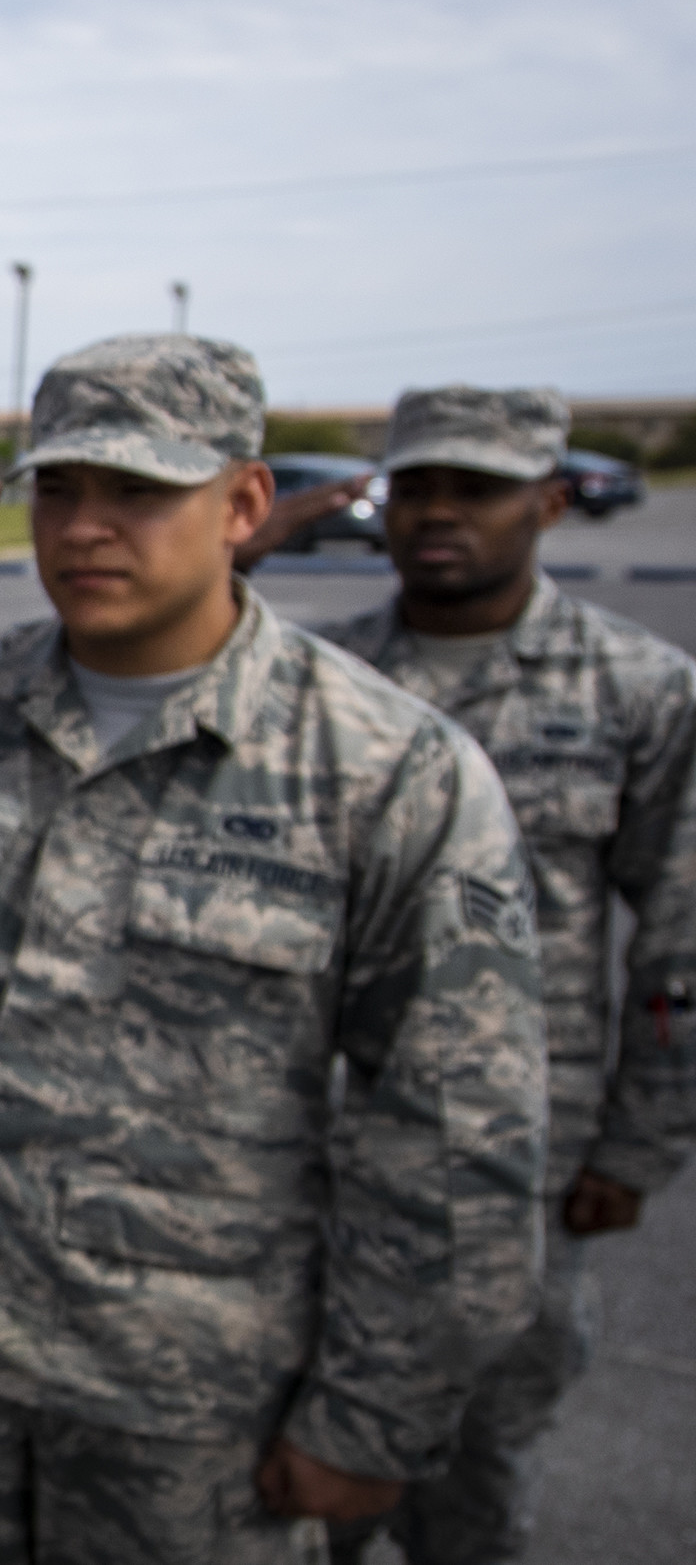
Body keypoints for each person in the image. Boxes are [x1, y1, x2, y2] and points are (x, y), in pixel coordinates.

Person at [0, 333, 549, 1564]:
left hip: (181, 1418)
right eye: (58, 488)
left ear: (243, 502)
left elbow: (455, 1135)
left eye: (138, 490)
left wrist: (372, 1416)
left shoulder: (388, 771)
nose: (84, 528)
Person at [302, 387, 696, 1565]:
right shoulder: (326, 682)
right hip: (310, 1144)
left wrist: (638, 1146)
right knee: (294, 1478)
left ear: (553, 500)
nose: (437, 514)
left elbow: (682, 939)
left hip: (520, 1154)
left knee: (473, 1479)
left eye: (475, 490)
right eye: (416, 487)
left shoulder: (636, 688)